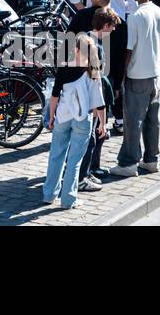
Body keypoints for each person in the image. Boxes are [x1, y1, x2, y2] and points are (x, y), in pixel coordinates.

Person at [43, 31, 107, 210]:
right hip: (83, 118)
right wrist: (103, 124)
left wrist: (51, 116)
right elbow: (99, 101)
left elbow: (55, 95)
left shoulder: (64, 67)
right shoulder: (93, 70)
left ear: (76, 49)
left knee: (56, 155)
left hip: (63, 115)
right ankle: (68, 199)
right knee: (75, 160)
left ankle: (49, 194)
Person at [111, 0, 160, 177]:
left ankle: (128, 162)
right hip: (155, 74)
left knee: (133, 121)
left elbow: (129, 50)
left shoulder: (135, 16)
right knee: (153, 120)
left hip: (137, 75)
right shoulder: (158, 11)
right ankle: (151, 159)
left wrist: (121, 78)